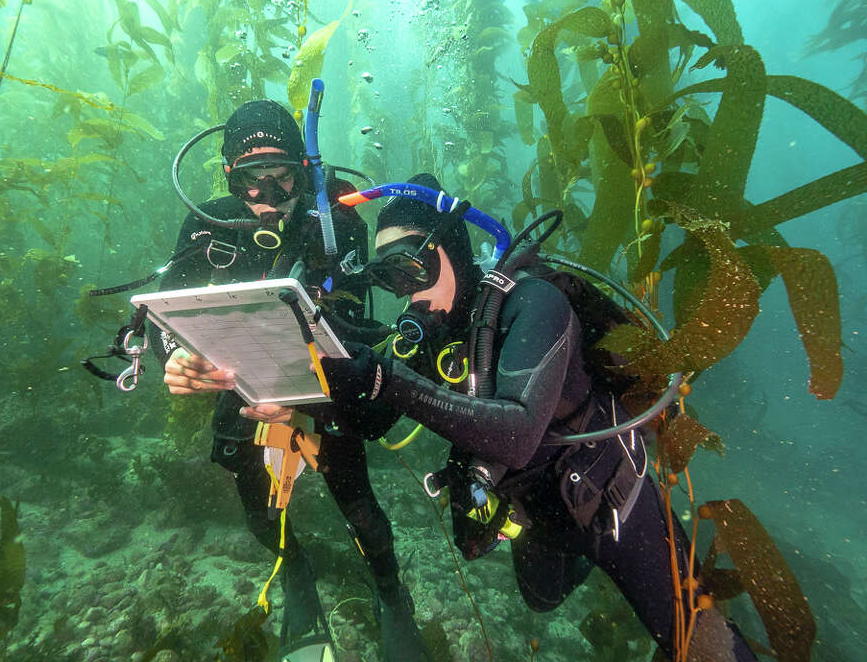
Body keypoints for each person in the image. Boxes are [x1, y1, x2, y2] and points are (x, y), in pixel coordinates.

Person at [316, 173, 759, 661]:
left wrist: (388, 380)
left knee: (697, 640)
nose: (408, 293)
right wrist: (309, 385)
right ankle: (585, 564)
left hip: (615, 504)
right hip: (537, 512)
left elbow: (518, 434)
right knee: (541, 598)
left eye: (413, 269)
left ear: (453, 251)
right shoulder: (439, 329)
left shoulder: (533, 303)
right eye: (390, 278)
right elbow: (372, 420)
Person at [150, 100, 428, 662]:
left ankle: (390, 593)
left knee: (362, 510)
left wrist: (308, 389)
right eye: (251, 181)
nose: (268, 196)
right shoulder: (208, 224)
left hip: (326, 389)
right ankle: (296, 571)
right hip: (243, 390)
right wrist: (175, 356)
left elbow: (356, 326)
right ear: (229, 177)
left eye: (282, 177)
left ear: (305, 170)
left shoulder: (336, 223)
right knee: (259, 510)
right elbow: (162, 313)